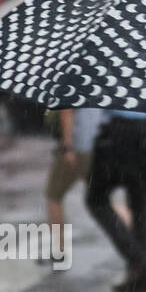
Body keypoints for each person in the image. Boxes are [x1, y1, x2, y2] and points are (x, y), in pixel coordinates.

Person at [84, 109, 146, 292]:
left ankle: (137, 258)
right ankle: (140, 278)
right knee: (139, 204)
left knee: (96, 199)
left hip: (120, 131)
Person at [42, 108, 101, 264]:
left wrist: (67, 147)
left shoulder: (70, 83)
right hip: (98, 145)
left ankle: (59, 250)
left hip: (78, 147)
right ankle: (136, 237)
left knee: (53, 195)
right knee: (103, 200)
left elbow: (66, 110)